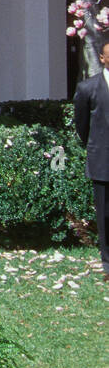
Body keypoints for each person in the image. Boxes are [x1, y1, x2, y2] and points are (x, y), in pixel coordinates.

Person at [74, 39, 109, 282]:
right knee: (105, 216)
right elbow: (82, 125)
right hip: (103, 161)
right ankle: (108, 263)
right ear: (103, 58)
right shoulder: (88, 88)